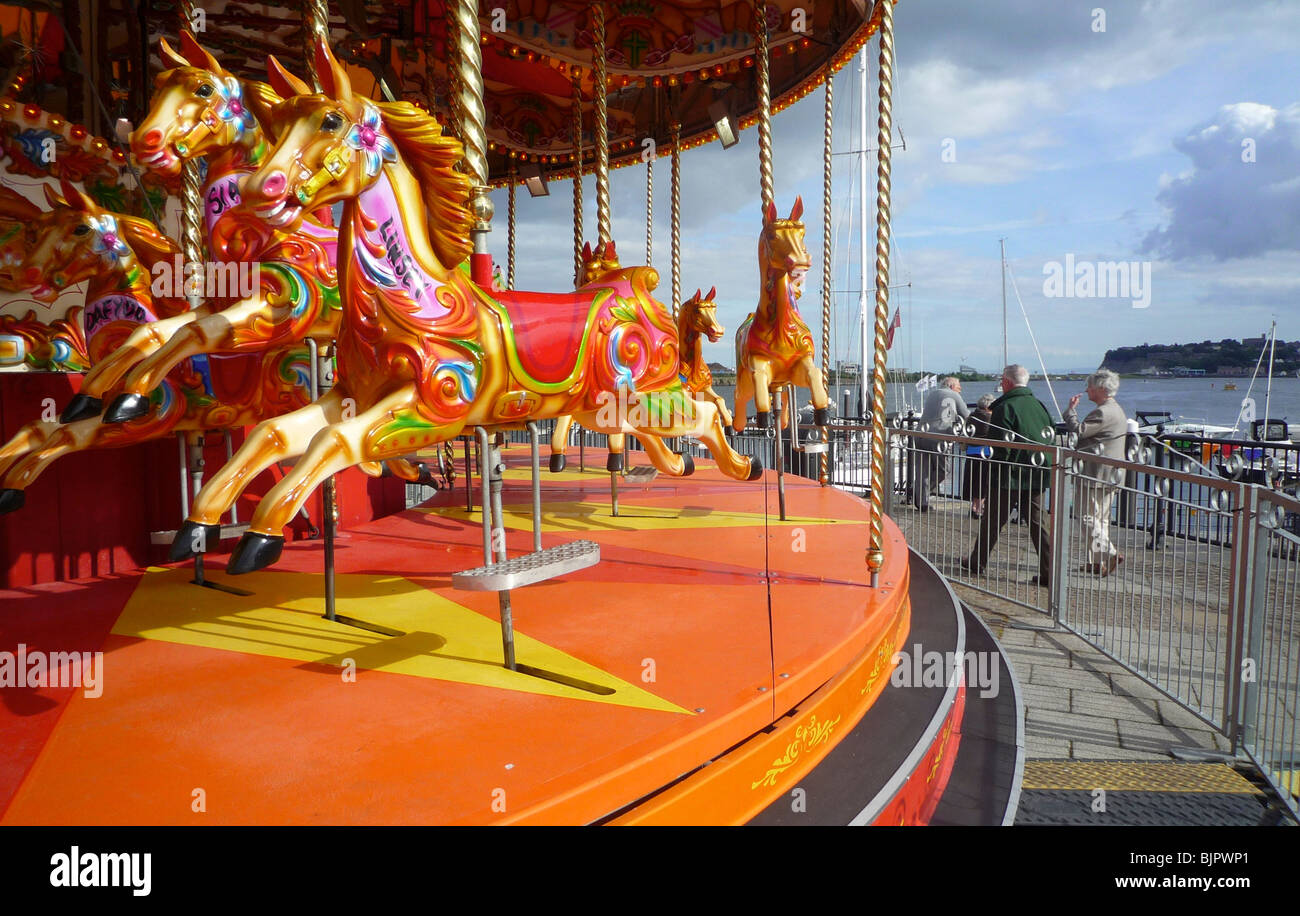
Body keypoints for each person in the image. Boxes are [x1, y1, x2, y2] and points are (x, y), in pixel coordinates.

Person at [961, 365, 1054, 586]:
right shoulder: (1039, 406)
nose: (1001, 384)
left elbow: (1000, 445)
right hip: (1035, 473)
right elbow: (1050, 434)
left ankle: (977, 562)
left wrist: (994, 471)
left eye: (1002, 380)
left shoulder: (1005, 407)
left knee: (993, 520)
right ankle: (1049, 571)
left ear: (1008, 382)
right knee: (1038, 523)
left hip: (1008, 476)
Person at [1065, 369, 1128, 576]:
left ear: (1101, 388)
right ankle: (1097, 562)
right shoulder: (1116, 409)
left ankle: (1109, 554)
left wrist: (1070, 411)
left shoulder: (1103, 412)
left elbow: (1079, 431)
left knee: (1086, 517)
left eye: (1090, 386)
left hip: (1095, 475)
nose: (1086, 390)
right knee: (1100, 519)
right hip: (1110, 474)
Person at [910, 377, 970, 511]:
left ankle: (921, 501)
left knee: (922, 471)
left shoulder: (933, 393)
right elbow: (967, 415)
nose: (960, 389)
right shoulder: (954, 395)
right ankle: (920, 494)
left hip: (920, 433)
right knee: (944, 470)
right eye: (959, 386)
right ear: (952, 386)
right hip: (938, 436)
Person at [962, 393, 996, 518]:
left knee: (973, 481)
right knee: (983, 483)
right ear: (989, 406)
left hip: (971, 452)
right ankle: (979, 508)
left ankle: (974, 507)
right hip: (985, 453)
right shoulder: (990, 418)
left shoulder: (971, 416)